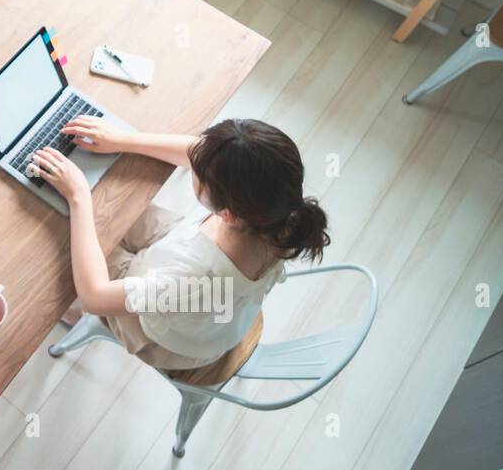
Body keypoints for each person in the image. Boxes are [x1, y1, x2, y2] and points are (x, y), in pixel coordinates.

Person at [30, 117, 329, 372]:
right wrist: (123, 139)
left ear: (228, 214)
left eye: (199, 174)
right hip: (185, 265)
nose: (193, 158)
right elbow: (199, 153)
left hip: (168, 333)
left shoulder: (195, 281)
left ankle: (73, 311)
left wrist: (79, 197)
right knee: (110, 204)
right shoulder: (278, 214)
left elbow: (95, 296)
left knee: (72, 229)